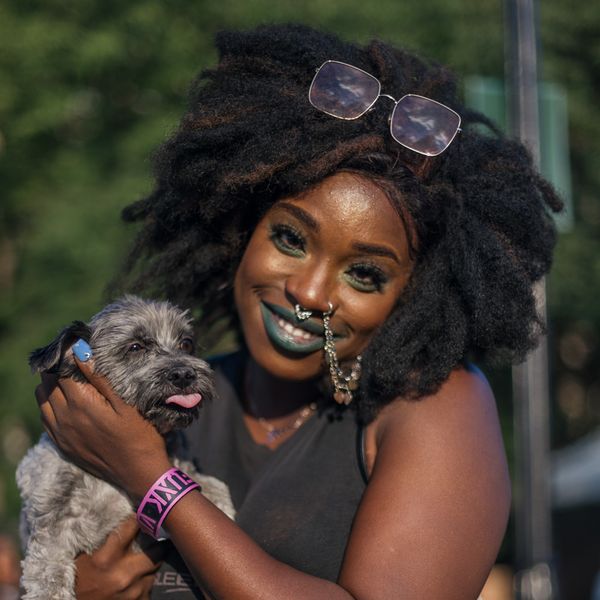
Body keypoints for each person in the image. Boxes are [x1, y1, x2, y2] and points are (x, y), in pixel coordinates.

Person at [35, 23, 562, 599]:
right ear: (241, 229)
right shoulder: (182, 396)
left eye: (365, 274)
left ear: (416, 292)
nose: (310, 293)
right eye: (289, 239)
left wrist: (154, 482)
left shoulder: (434, 409)